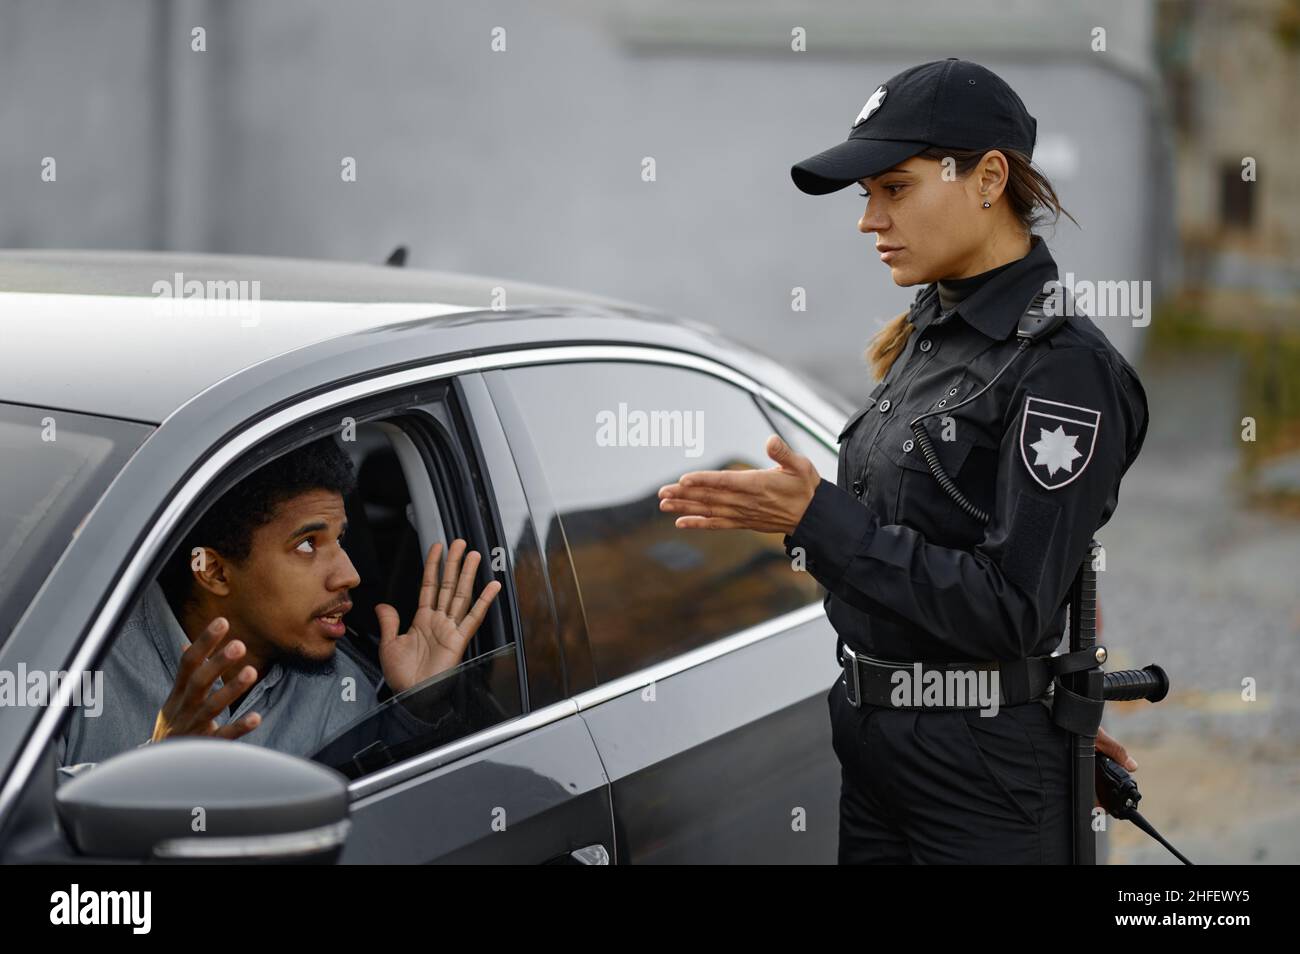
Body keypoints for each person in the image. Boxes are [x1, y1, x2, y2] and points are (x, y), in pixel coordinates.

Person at [658, 58, 1148, 863]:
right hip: (881, 746)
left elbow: (1012, 607)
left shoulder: (1061, 367)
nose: (869, 220)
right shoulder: (933, 328)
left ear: (989, 178)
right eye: (868, 196)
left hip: (980, 782)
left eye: (896, 188)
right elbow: (914, 541)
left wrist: (817, 518)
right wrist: (804, 521)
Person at [57, 436, 501, 779]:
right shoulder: (72, 664)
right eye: (308, 544)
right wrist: (150, 775)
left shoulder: (344, 686)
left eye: (340, 539)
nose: (349, 574)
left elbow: (385, 823)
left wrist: (416, 706)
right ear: (213, 570)